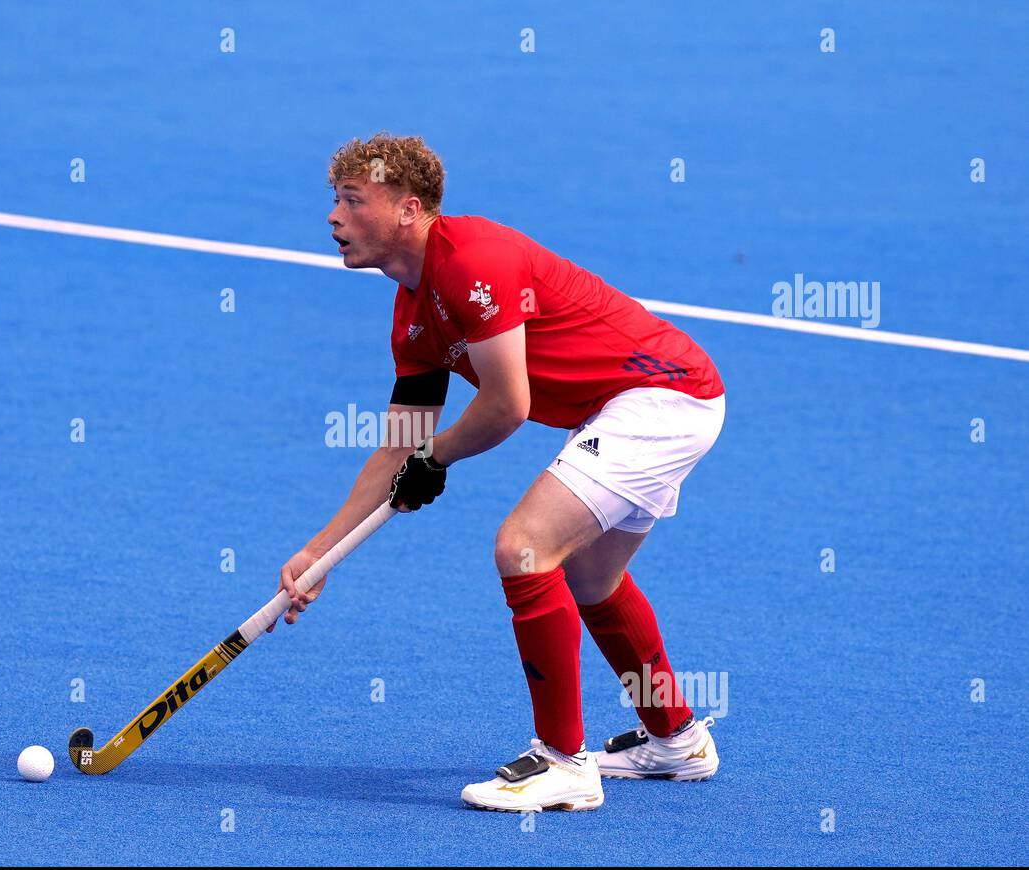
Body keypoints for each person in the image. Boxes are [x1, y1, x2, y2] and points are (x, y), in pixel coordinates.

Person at [268, 133, 726, 812]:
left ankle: (563, 763)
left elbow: (509, 405)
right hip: (635, 406)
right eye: (333, 200)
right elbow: (400, 444)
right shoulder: (412, 315)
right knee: (593, 578)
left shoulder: (471, 262)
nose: (332, 217)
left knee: (523, 548)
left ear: (407, 209)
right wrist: (320, 551)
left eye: (351, 200)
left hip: (661, 397)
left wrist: (438, 457)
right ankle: (676, 739)